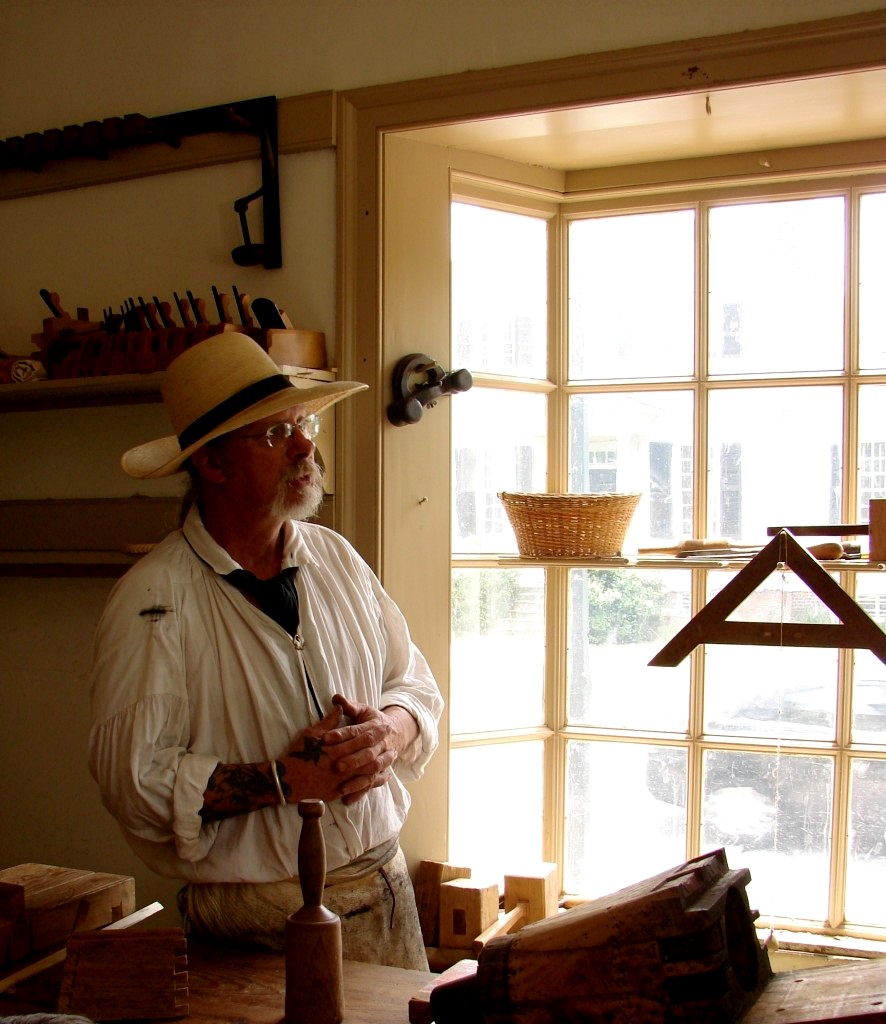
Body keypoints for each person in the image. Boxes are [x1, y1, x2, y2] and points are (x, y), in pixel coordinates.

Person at [88, 331, 443, 969]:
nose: (306, 446)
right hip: (254, 927)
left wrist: (388, 733)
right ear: (213, 464)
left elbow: (414, 685)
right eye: (276, 434)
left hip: (384, 895)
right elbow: (135, 783)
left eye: (304, 424)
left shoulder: (336, 558)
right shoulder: (154, 600)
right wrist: (284, 780)